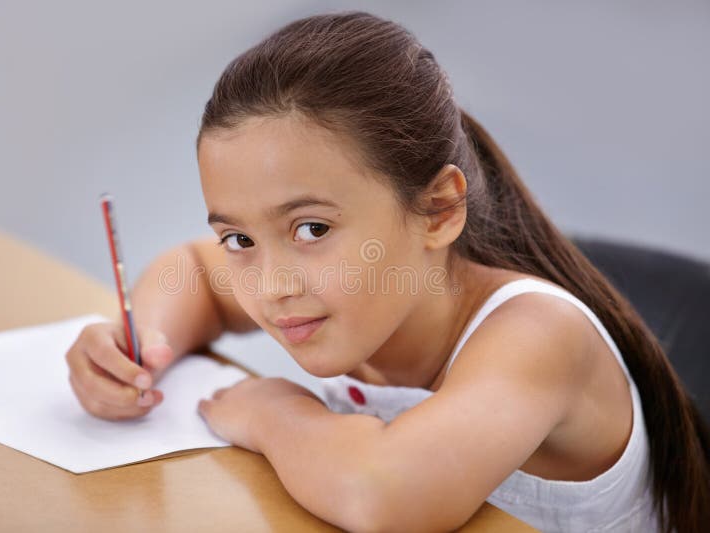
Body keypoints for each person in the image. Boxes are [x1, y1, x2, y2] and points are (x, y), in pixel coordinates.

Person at [65, 11, 709, 532]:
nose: (270, 285)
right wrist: (139, 347)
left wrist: (274, 412)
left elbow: (384, 496)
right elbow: (195, 273)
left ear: (438, 209)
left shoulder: (537, 337)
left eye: (311, 229)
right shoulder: (354, 299)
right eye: (239, 237)